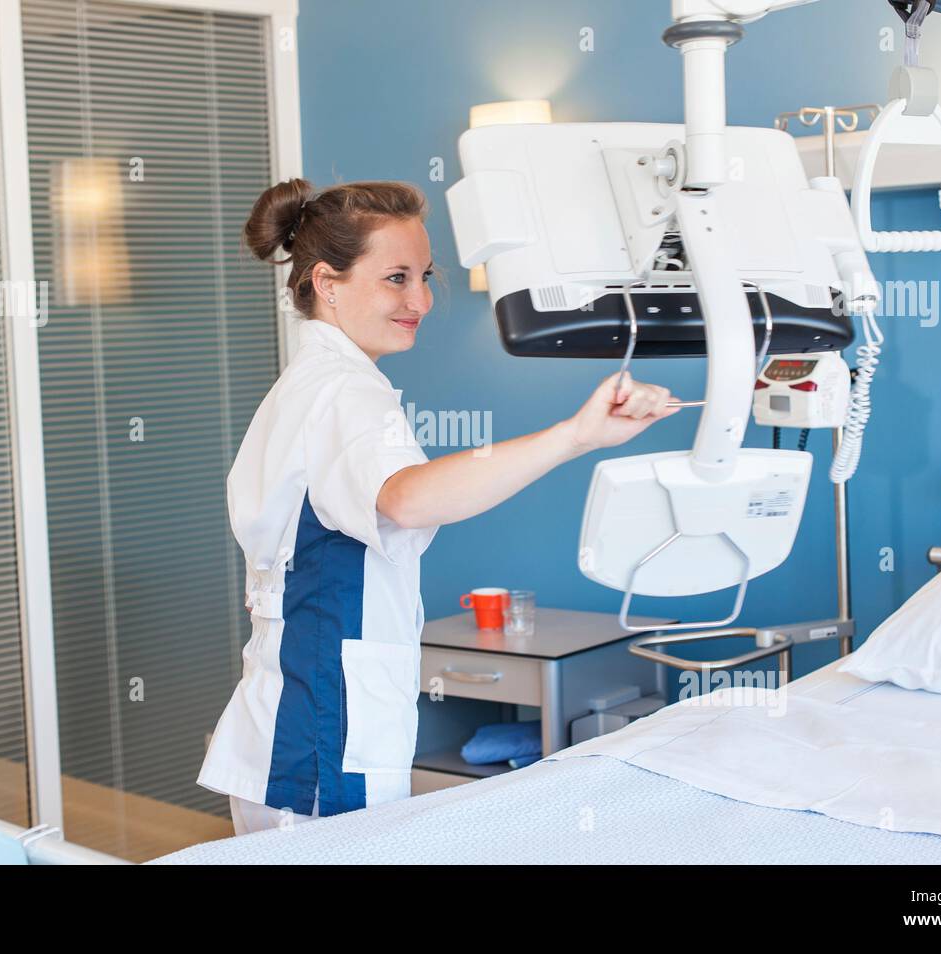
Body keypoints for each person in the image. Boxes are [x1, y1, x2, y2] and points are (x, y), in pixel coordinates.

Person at [197, 177, 680, 836]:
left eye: (425, 277)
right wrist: (575, 436)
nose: (420, 300)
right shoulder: (346, 397)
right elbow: (407, 498)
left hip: (294, 728)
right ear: (328, 282)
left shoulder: (310, 387)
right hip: (321, 740)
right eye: (396, 278)